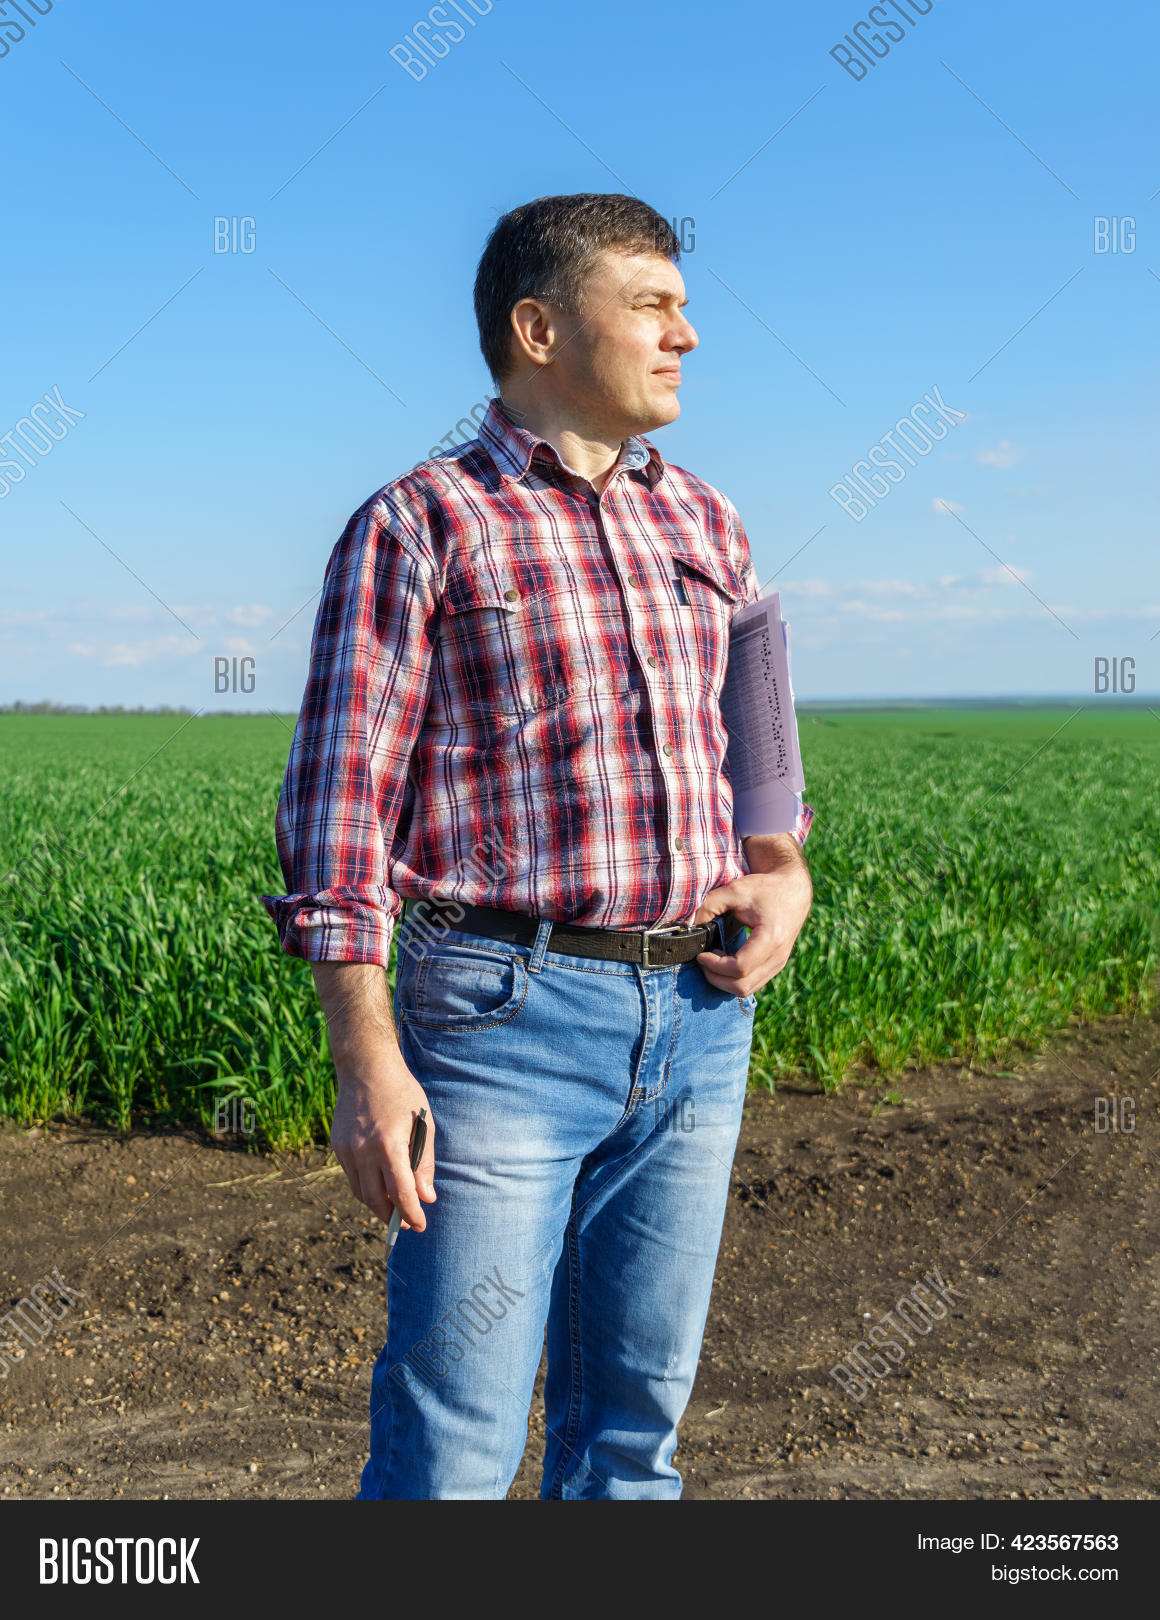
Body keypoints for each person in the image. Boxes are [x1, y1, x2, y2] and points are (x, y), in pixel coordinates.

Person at [262, 193, 815, 1499]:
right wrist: (364, 1057)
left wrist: (784, 868)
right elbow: (338, 804)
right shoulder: (419, 524)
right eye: (653, 306)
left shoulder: (711, 523)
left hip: (699, 1017)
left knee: (633, 1433)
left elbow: (759, 731)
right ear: (541, 329)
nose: (687, 334)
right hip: (501, 1017)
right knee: (453, 1446)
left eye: (683, 306)